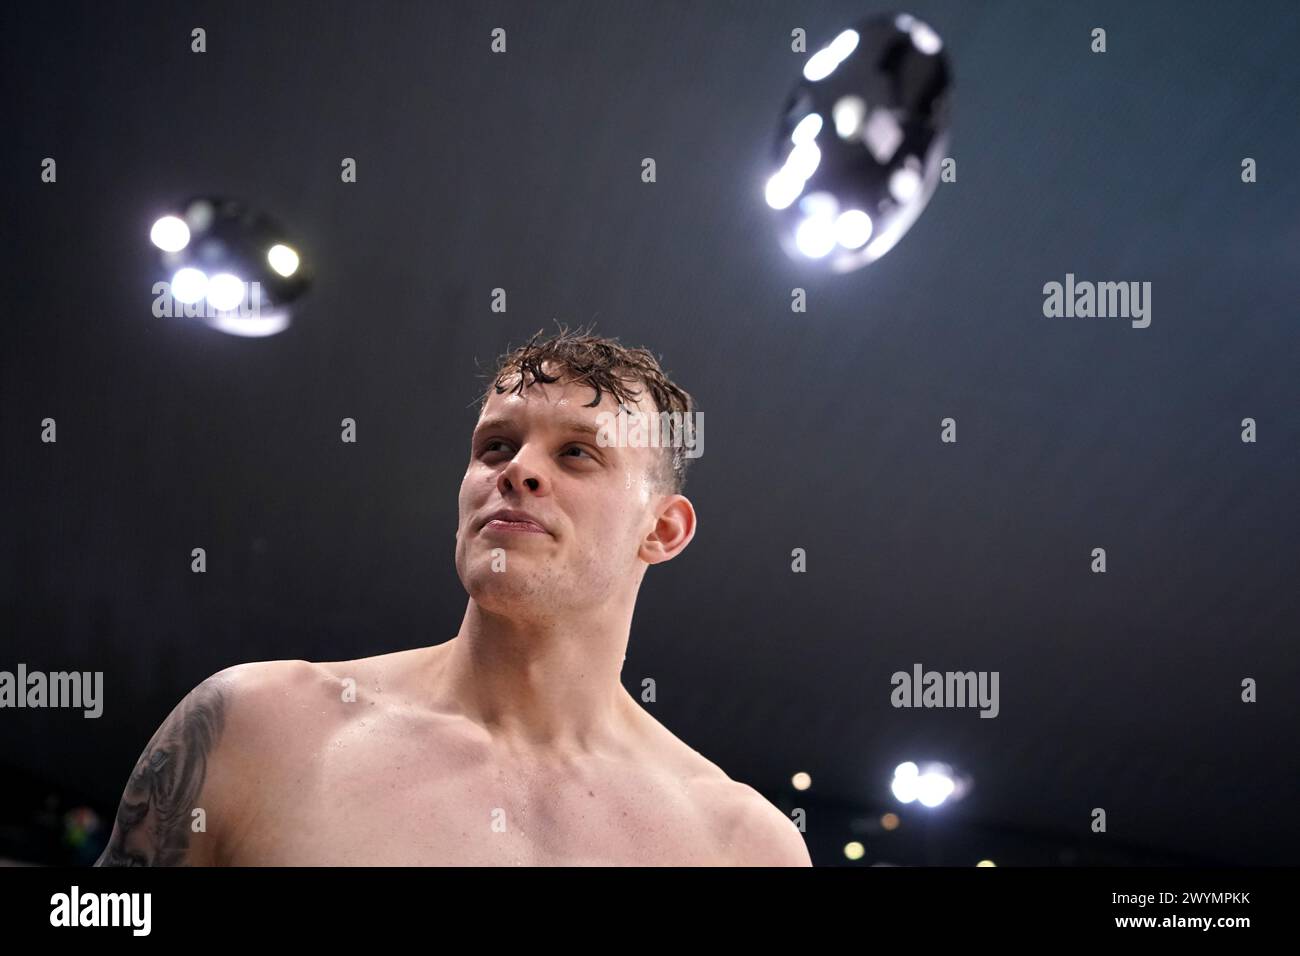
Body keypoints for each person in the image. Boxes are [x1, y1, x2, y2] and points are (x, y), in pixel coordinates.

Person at [96, 330, 811, 866]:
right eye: (497, 446)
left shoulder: (744, 845)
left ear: (661, 529)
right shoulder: (256, 727)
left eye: (576, 453)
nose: (519, 471)